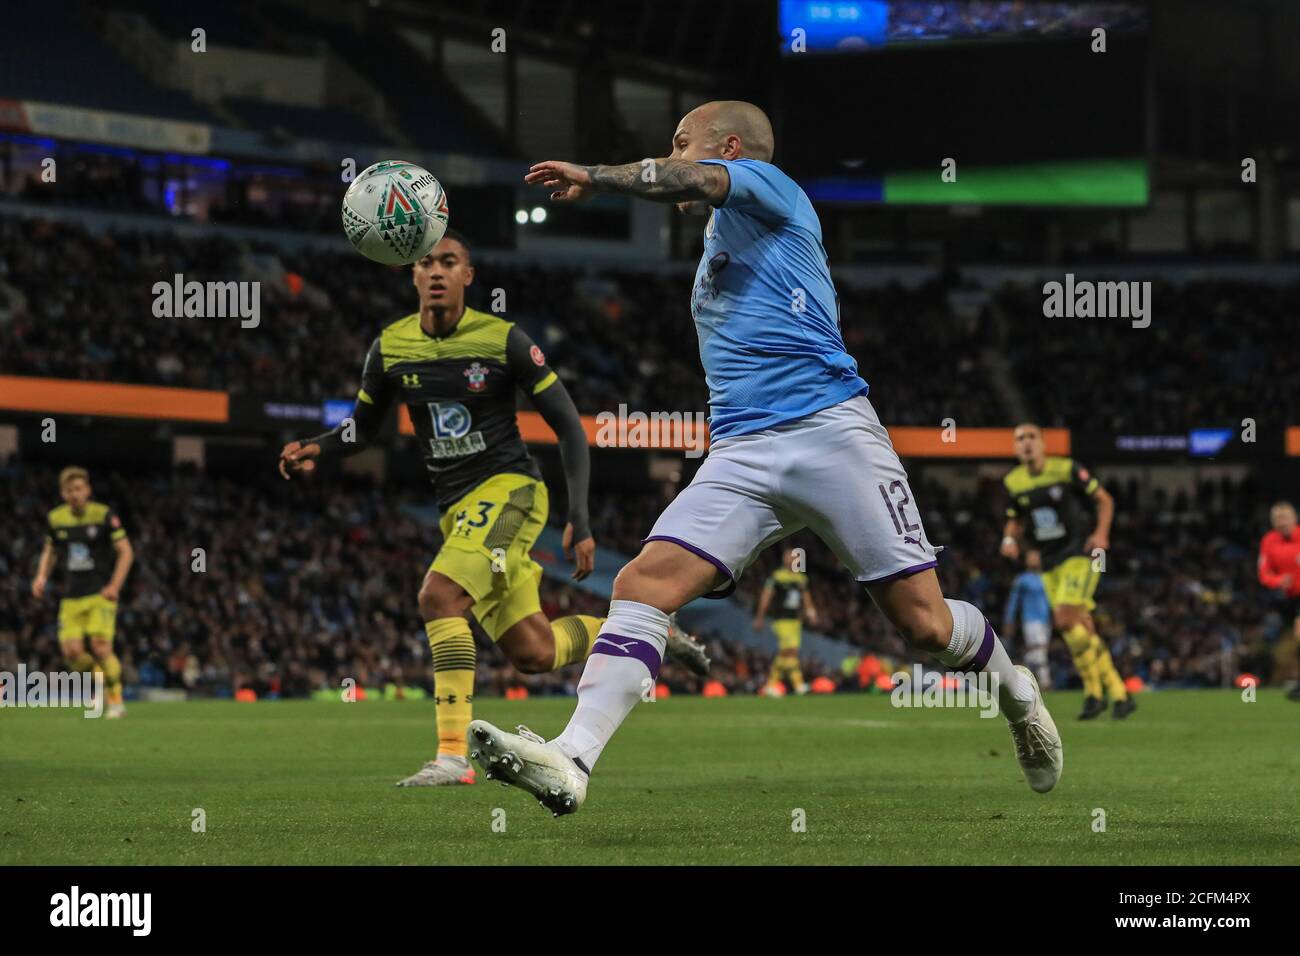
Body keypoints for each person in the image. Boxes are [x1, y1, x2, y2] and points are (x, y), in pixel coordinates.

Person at [466, 100, 1062, 816]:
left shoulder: (772, 187)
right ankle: (573, 759)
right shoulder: (724, 234)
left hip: (830, 434)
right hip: (743, 452)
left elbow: (684, 179)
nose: (674, 154)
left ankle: (1015, 690)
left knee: (925, 627)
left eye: (684, 143)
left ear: (729, 147)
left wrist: (598, 176)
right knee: (643, 584)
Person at [280, 230, 710, 786]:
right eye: (426, 262)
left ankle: (453, 756)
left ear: (468, 275)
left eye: (449, 261)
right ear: (411, 275)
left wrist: (579, 516)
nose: (436, 271)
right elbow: (361, 427)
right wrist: (317, 445)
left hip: (512, 493)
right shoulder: (390, 347)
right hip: (458, 512)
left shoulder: (504, 340)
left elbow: (568, 427)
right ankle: (644, 633)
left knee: (439, 594)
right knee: (533, 652)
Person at [1001, 424, 1134, 719]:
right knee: (1079, 628)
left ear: (1043, 444)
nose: (1026, 443)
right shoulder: (1014, 482)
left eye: (1031, 437)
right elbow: (1015, 517)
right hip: (1049, 564)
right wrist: (1011, 539)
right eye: (1020, 439)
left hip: (1079, 555)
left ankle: (1096, 692)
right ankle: (1114, 694)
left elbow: (1105, 499)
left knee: (1064, 619)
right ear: (1014, 448)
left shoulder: (1066, 469)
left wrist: (1101, 534)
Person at [31, 466, 133, 718]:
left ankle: (116, 699)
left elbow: (126, 551)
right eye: (69, 490)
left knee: (100, 647)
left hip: (100, 594)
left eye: (79, 489)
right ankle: (100, 676)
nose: (75, 494)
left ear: (87, 490)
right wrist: (41, 576)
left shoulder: (103, 515)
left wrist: (114, 586)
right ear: (63, 494)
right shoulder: (56, 518)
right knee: (72, 653)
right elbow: (51, 550)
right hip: (71, 596)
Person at [752, 545, 820, 696]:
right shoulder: (776, 577)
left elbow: (806, 598)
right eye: (788, 556)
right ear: (784, 559)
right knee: (788, 651)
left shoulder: (801, 578)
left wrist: (811, 613)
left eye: (794, 556)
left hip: (796, 620)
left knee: (790, 652)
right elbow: (766, 597)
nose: (791, 559)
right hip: (781, 619)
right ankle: (798, 685)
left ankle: (772, 685)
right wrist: (759, 617)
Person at [1256, 501, 1300, 701]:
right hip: (1286, 597)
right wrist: (1278, 580)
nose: (1281, 522)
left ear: (1294, 519)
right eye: (1276, 519)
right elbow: (1264, 573)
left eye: (1284, 518)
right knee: (1287, 643)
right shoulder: (1269, 540)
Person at [1003, 550, 1052, 688]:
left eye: (1036, 557)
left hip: (1045, 620)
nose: (1034, 560)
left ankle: (1019, 672)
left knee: (1037, 651)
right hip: (1031, 619)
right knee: (1040, 648)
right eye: (1031, 558)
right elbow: (1013, 600)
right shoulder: (1022, 579)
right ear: (1026, 561)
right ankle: (1045, 682)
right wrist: (1009, 619)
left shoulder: (1046, 577)